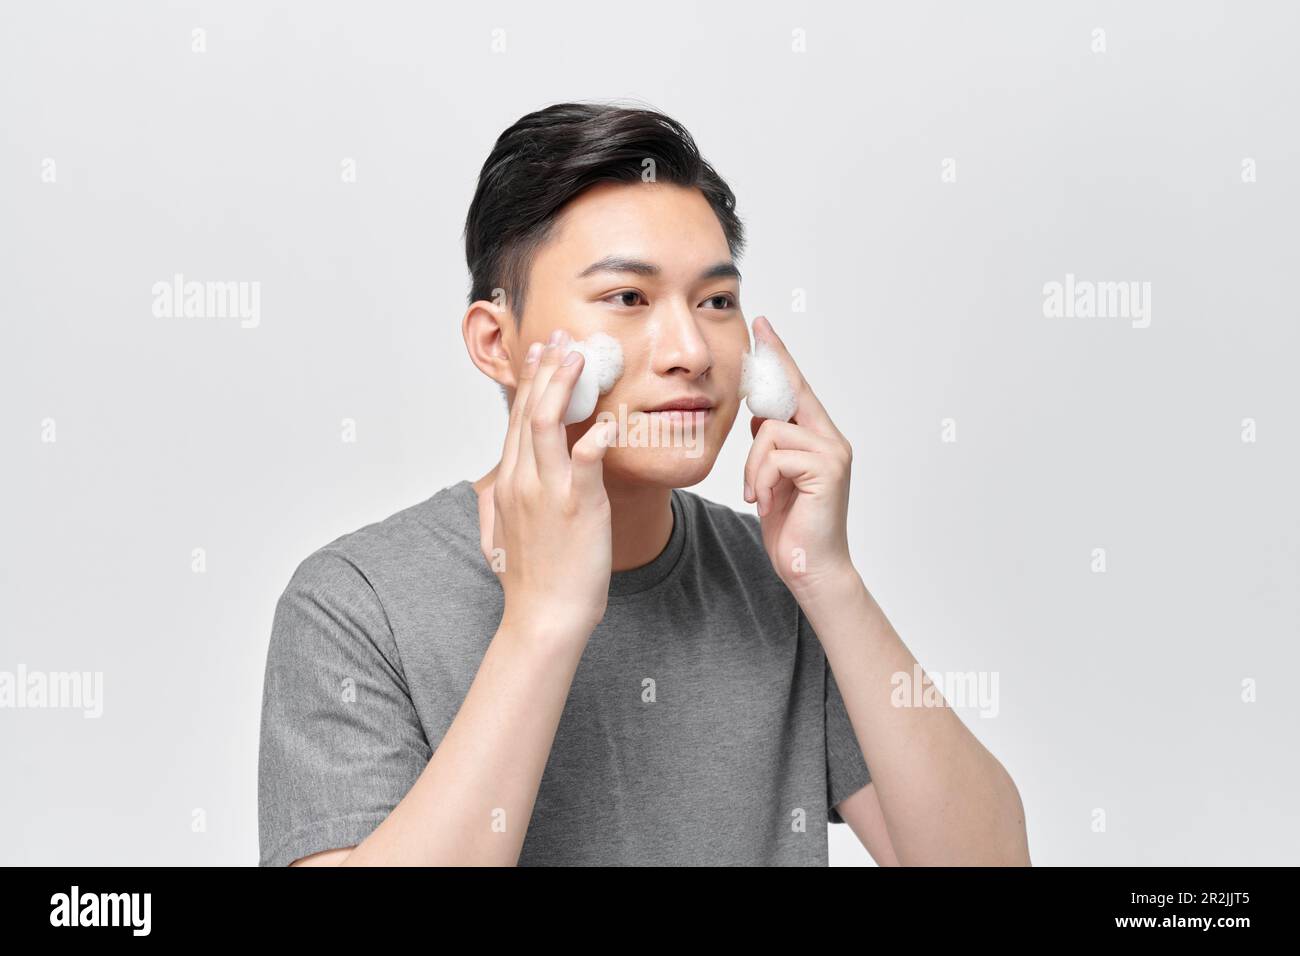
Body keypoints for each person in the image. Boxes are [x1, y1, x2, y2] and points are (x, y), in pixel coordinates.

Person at [257, 101, 1030, 866]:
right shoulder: (354, 604)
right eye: (628, 298)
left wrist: (828, 581)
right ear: (497, 342)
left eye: (716, 301)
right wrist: (543, 622)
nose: (691, 349)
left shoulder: (775, 585)